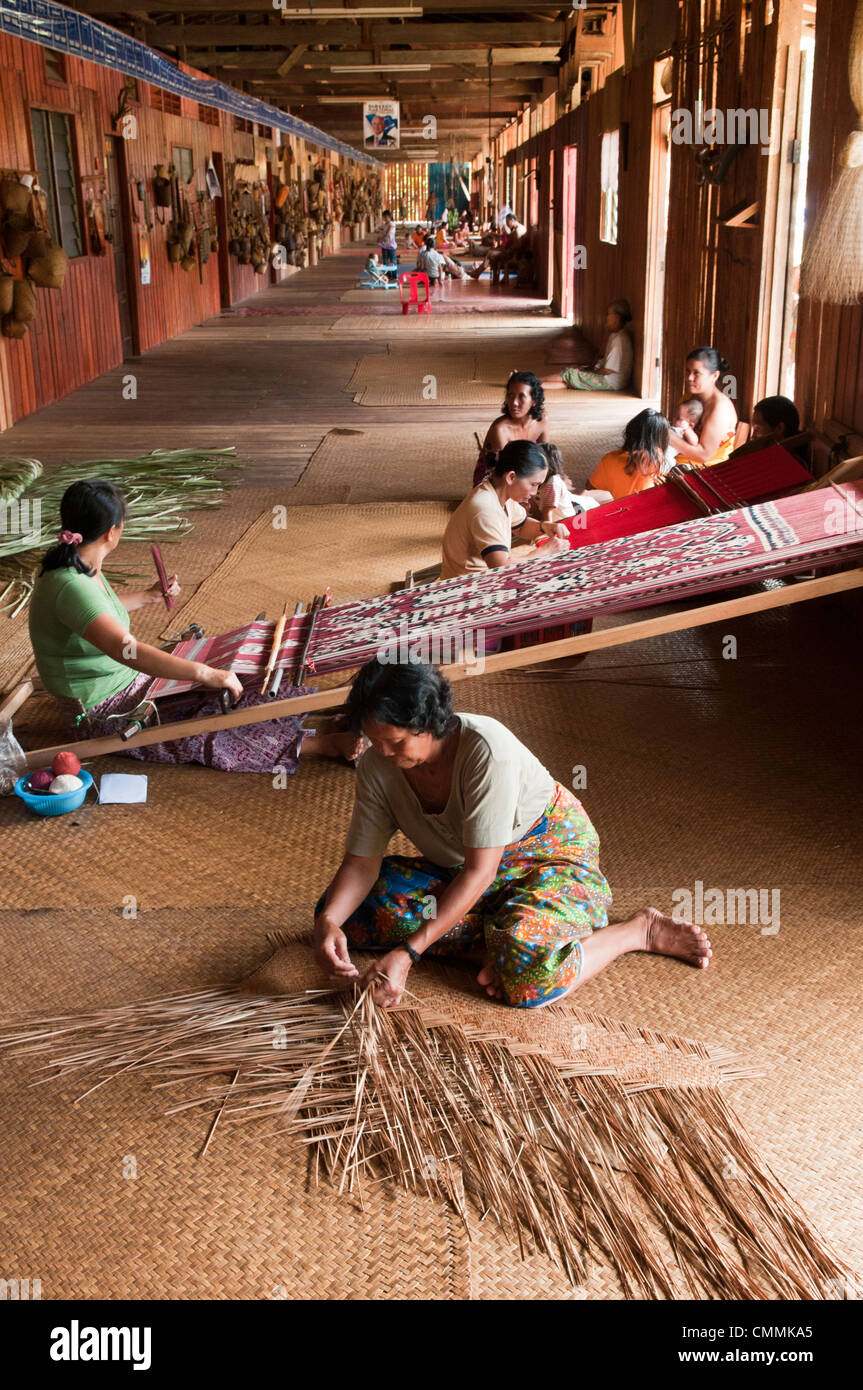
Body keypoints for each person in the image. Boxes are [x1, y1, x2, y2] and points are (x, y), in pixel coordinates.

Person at [313, 661, 712, 1009]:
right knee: (352, 915)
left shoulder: (486, 749)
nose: (381, 752)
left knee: (528, 978)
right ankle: (499, 940)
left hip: (547, 861)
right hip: (466, 872)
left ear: (428, 722)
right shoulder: (377, 767)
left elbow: (480, 872)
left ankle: (636, 931)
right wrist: (329, 920)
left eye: (395, 741)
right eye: (374, 739)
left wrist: (408, 952)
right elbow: (362, 862)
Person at [28, 480, 361, 772]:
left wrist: (147, 596)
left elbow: (97, 615)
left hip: (128, 683)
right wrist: (202, 673)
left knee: (241, 673)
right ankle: (324, 744)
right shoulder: (71, 585)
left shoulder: (77, 563)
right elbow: (123, 649)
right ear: (112, 532)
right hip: (103, 712)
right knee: (203, 725)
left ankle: (325, 706)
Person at [442, 440, 569, 581]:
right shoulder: (485, 509)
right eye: (533, 484)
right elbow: (501, 568)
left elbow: (521, 526)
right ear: (511, 477)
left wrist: (545, 527)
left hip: (483, 577)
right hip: (467, 585)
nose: (535, 492)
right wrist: (544, 552)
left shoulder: (499, 491)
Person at [473, 370, 548, 486]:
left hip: (526, 474)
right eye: (510, 395)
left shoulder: (542, 421)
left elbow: (546, 457)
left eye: (521, 397)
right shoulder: (500, 429)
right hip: (497, 478)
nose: (514, 402)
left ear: (533, 400)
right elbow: (506, 473)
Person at [666, 346, 738, 467]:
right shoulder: (690, 398)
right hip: (679, 462)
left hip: (705, 471)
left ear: (714, 375)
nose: (689, 378)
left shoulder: (720, 409)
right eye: (687, 371)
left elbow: (704, 455)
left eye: (696, 373)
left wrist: (667, 436)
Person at [588, 409, 671, 500]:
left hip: (618, 509)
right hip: (643, 510)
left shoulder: (609, 458)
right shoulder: (655, 457)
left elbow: (590, 487)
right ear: (661, 439)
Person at [559, 300, 634, 392]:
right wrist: (589, 368)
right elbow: (606, 362)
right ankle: (538, 385)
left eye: (608, 314)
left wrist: (591, 372)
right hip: (613, 381)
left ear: (616, 318)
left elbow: (608, 370)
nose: (606, 318)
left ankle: (536, 382)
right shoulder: (616, 335)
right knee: (571, 378)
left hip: (610, 382)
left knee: (569, 373)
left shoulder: (618, 340)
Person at [535, 443, 609, 523]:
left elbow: (547, 512)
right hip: (566, 515)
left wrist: (545, 530)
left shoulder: (553, 482)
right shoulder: (542, 481)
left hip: (568, 521)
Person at [664, 397, 704, 471]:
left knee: (670, 462)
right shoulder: (674, 426)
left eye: (678, 418)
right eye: (674, 416)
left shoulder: (686, 431)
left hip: (667, 454)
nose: (674, 419)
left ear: (691, 425)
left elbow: (694, 442)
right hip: (658, 446)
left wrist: (687, 429)